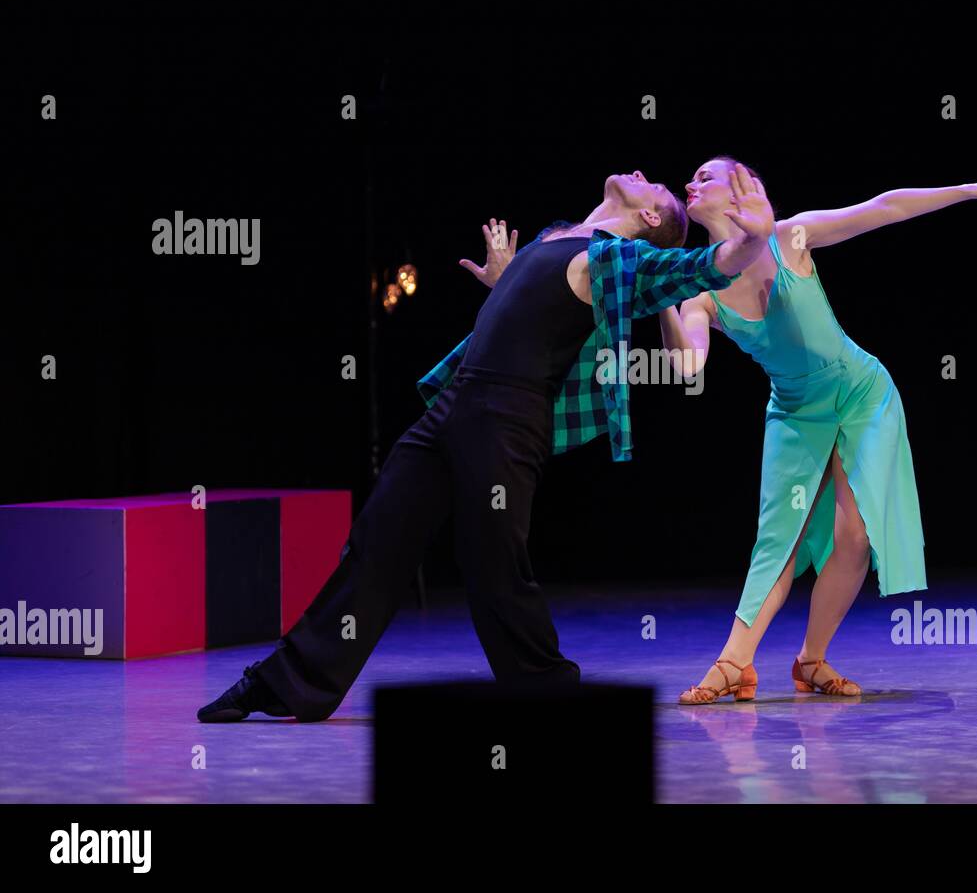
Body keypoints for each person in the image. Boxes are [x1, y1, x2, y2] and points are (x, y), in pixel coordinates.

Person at [197, 166, 774, 722]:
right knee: (377, 542)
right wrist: (506, 279)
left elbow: (703, 266)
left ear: (648, 214)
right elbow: (524, 316)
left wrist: (752, 240)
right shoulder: (558, 239)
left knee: (494, 563)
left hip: (507, 415)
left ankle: (548, 686)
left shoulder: (618, 259)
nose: (644, 173)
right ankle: (290, 683)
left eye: (654, 188)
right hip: (458, 404)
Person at [658, 158, 977, 703]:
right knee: (778, 541)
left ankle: (811, 660)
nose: (691, 182)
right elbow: (687, 367)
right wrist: (664, 296)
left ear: (744, 186)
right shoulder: (700, 289)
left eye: (705, 175)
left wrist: (968, 189)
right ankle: (734, 662)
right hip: (796, 412)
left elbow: (882, 208)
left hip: (861, 394)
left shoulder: (789, 237)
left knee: (854, 536)